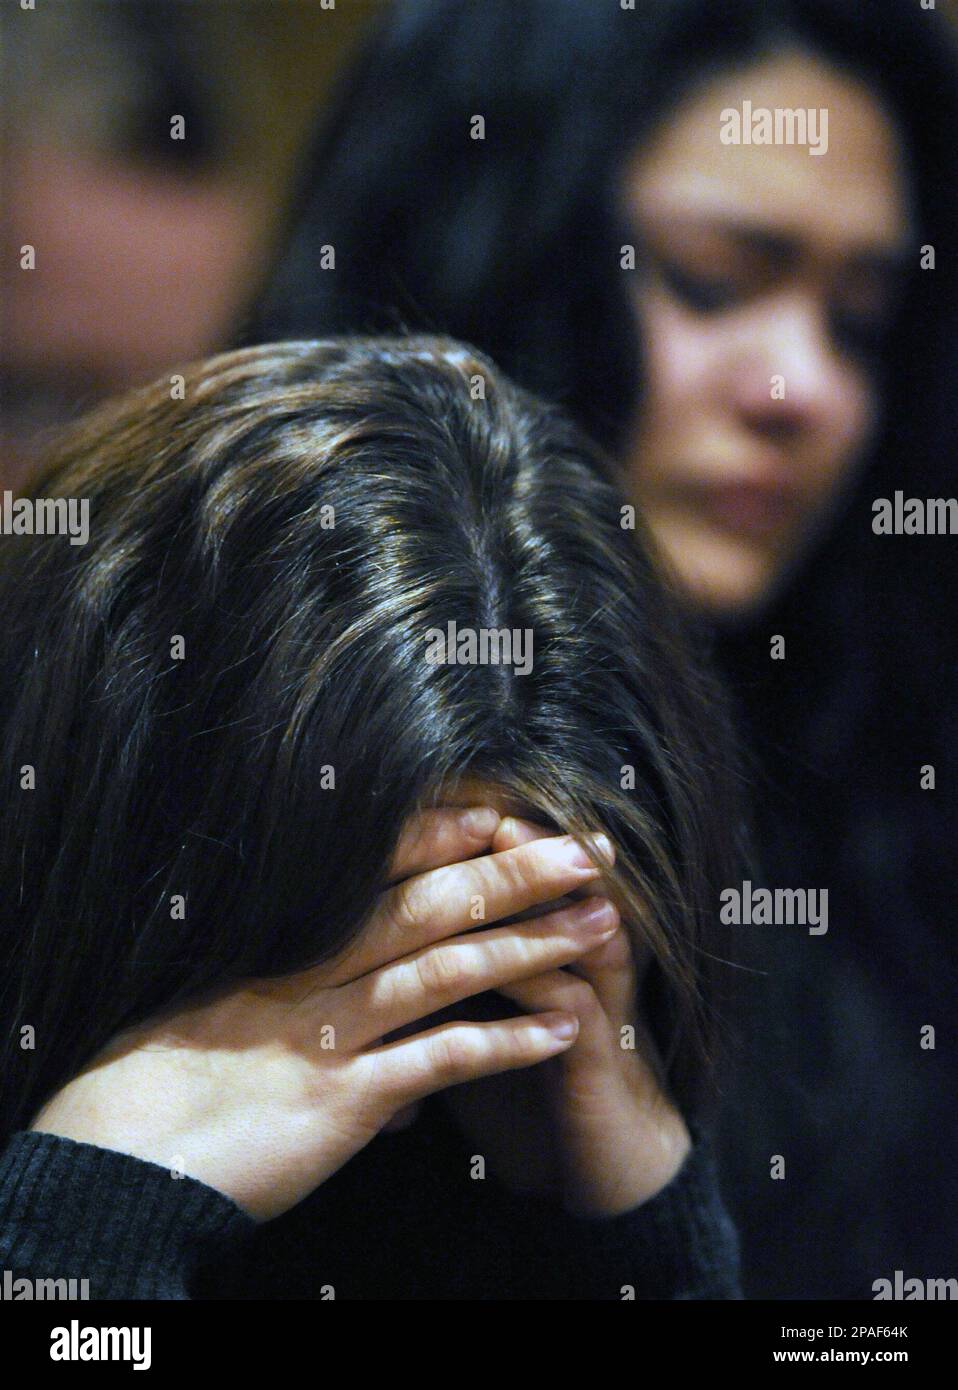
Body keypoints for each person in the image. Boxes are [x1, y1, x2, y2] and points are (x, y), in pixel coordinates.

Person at [248, 0, 958, 1297]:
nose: (800, 389)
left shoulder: (895, 810)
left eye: (859, 322)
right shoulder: (218, 761)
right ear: (485, 249)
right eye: (710, 279)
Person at [0, 336, 744, 1299]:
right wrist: (88, 1215)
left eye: (490, 971)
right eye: (335, 955)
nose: (388, 1084)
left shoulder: (567, 1134)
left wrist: (642, 1234)